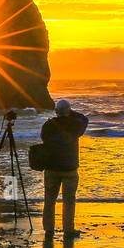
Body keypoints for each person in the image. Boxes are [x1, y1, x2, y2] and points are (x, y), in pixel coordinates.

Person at [39, 98, 89, 238]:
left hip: (51, 167)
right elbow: (84, 119)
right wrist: (71, 113)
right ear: (68, 111)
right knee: (69, 200)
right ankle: (68, 230)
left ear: (56, 111)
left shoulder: (48, 125)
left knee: (49, 199)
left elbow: (43, 138)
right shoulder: (74, 125)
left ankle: (49, 229)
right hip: (69, 168)